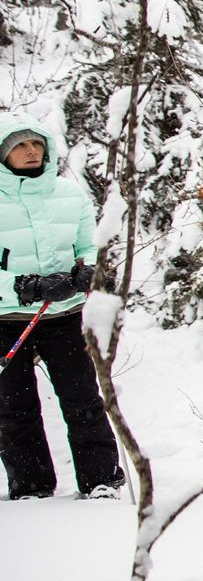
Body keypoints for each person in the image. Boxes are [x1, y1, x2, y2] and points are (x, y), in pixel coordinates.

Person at [0, 113, 125, 500]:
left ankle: (101, 480)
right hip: (6, 317)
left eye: (36, 143)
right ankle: (32, 487)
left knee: (83, 399)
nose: (31, 150)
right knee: (14, 407)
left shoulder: (69, 195)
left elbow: (90, 245)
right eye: (20, 145)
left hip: (64, 316)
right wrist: (24, 285)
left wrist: (88, 272)